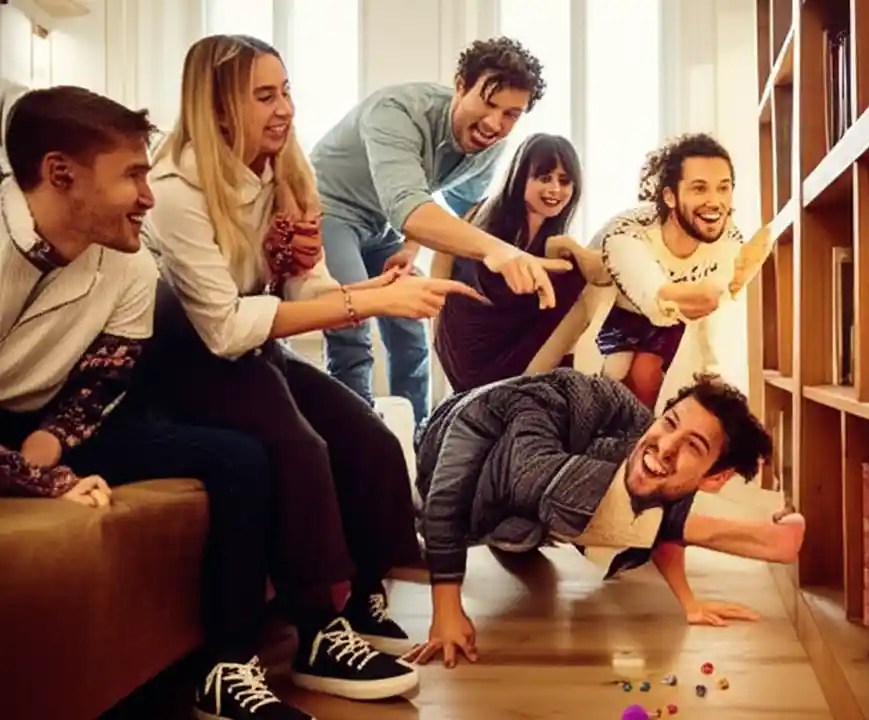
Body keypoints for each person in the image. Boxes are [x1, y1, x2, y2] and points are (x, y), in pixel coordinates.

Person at [139, 35, 483, 705]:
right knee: (300, 448)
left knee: (372, 440)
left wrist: (372, 290)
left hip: (251, 351)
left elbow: (304, 295)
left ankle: (359, 597)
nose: (285, 110)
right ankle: (319, 630)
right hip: (186, 363)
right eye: (265, 95)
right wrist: (371, 302)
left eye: (287, 91)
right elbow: (223, 327)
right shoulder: (174, 190)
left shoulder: (279, 175)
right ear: (216, 108)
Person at [0, 86, 301, 719]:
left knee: (239, 459)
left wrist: (49, 448)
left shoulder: (131, 264)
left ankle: (225, 668)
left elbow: (104, 380)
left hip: (54, 421)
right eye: (132, 174)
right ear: (61, 174)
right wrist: (34, 478)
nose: (149, 194)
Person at [403, 368, 805, 667]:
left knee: (649, 478)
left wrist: (689, 601)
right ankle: (747, 532)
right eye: (668, 424)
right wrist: (447, 608)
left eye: (692, 444)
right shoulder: (551, 408)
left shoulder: (629, 448)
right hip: (449, 439)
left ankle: (747, 531)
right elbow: (449, 488)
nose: (664, 445)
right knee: (584, 471)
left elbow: (659, 503)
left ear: (716, 478)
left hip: (519, 524)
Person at [310, 36, 572, 421]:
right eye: (488, 102)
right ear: (461, 85)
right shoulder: (397, 112)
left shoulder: (490, 144)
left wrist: (411, 249)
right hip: (329, 210)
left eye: (511, 115)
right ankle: (358, 436)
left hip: (383, 225)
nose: (495, 124)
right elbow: (411, 207)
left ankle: (418, 439)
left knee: (410, 330)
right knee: (351, 331)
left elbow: (455, 209)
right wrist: (497, 250)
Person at [591, 132, 772, 409]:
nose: (715, 201)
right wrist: (708, 292)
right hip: (609, 318)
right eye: (700, 188)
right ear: (670, 196)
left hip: (671, 325)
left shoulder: (728, 239)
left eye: (723, 188)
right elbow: (657, 294)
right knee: (628, 372)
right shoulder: (626, 233)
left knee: (662, 375)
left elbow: (715, 308)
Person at [432, 132, 607, 392]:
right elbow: (443, 253)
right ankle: (523, 389)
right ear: (520, 177)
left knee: (577, 281)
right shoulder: (487, 216)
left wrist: (564, 247)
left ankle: (526, 386)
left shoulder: (547, 236)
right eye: (544, 178)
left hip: (499, 349)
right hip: (471, 347)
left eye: (564, 181)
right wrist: (436, 325)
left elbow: (600, 273)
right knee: (575, 282)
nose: (555, 190)